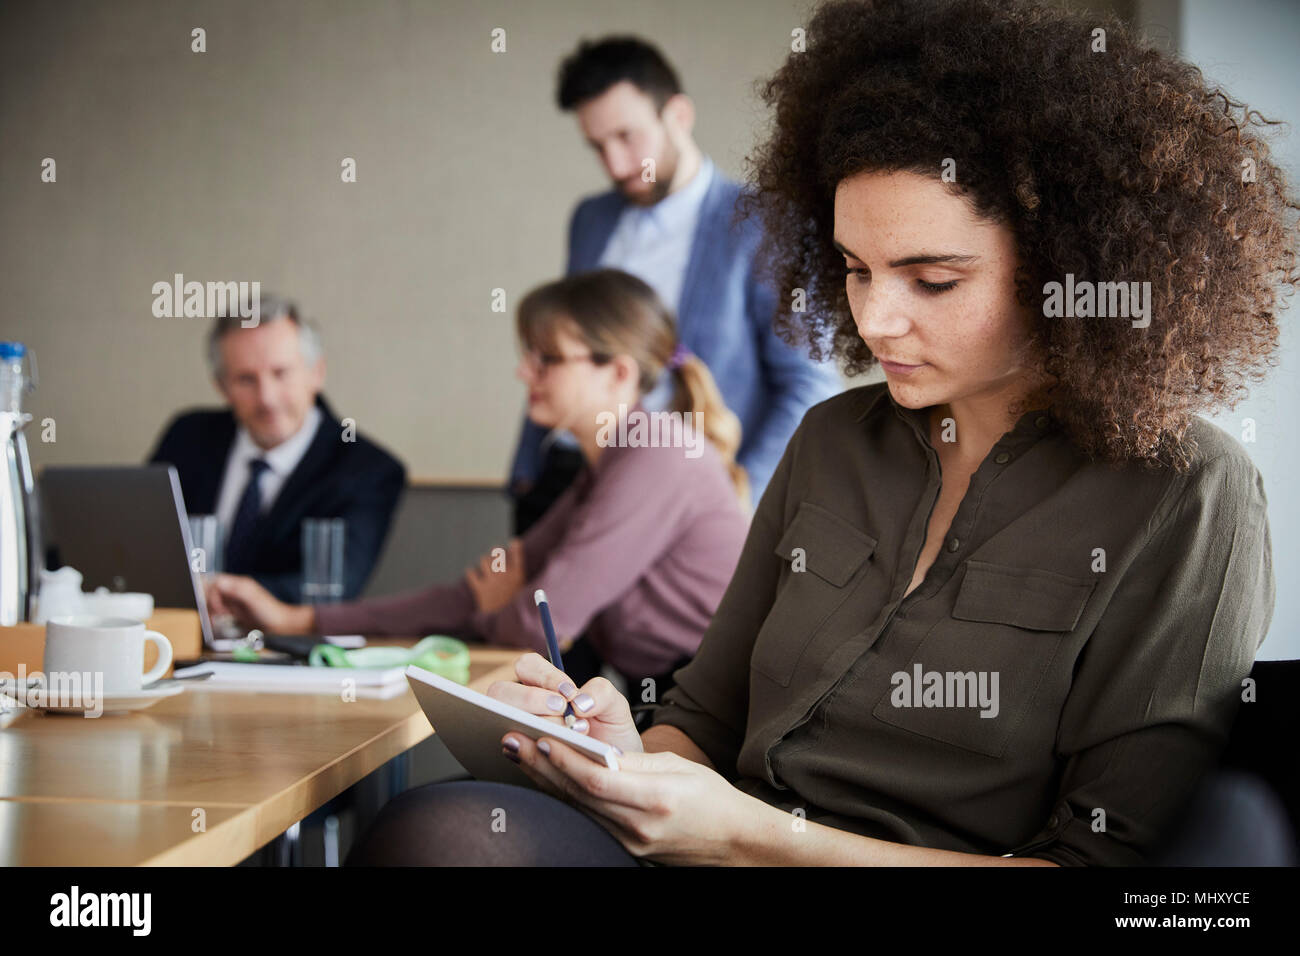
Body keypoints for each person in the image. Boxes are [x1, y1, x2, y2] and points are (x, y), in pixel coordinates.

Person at [345, 0, 1292, 866]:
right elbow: (701, 722)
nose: (876, 322)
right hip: (711, 846)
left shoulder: (1187, 493)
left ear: (1068, 267)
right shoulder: (834, 439)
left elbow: (1114, 880)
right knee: (439, 830)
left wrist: (750, 839)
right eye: (853, 268)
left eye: (933, 280)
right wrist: (621, 754)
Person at [208, 270, 750, 697]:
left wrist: (499, 610)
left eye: (548, 359)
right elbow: (469, 596)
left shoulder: (656, 453)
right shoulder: (608, 465)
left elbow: (535, 627)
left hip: (717, 724)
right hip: (674, 705)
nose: (523, 373)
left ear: (620, 374)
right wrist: (298, 618)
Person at [508, 35, 842, 533]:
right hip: (562, 479)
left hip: (672, 494)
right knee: (531, 612)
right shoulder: (591, 219)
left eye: (627, 136)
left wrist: (735, 499)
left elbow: (809, 384)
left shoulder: (765, 224)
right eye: (598, 146)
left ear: (679, 115)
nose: (616, 164)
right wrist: (524, 470)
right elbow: (561, 347)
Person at [149, 296, 406, 603]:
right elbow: (141, 540)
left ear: (317, 373)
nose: (267, 398)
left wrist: (223, 593)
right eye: (246, 379)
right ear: (221, 386)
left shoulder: (366, 469)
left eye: (281, 373)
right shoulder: (188, 436)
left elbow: (336, 587)